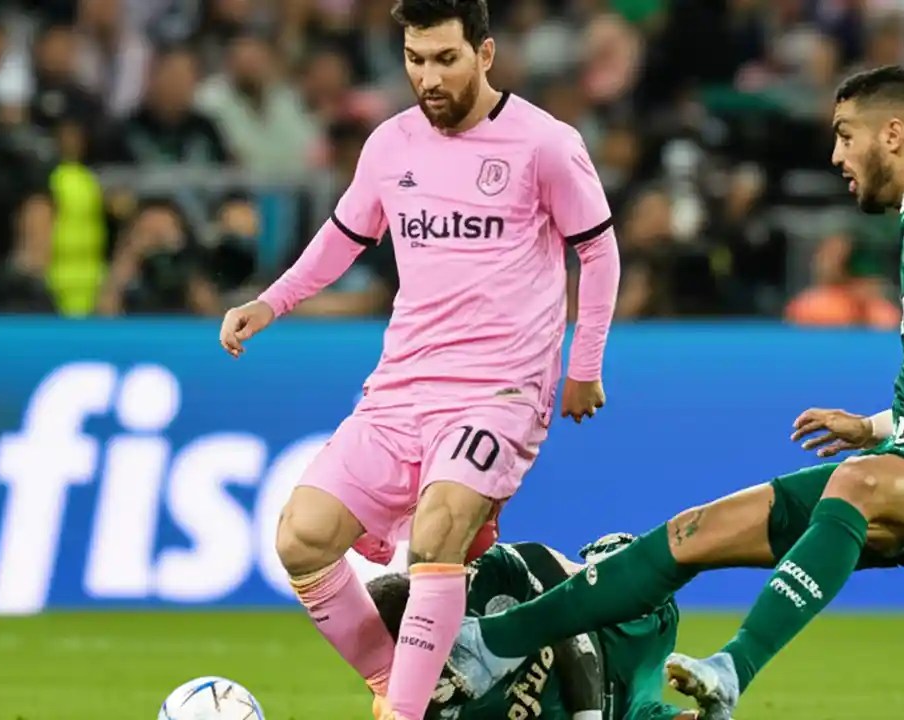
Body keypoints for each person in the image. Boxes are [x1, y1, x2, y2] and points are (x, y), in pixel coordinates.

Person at [441, 65, 904, 719]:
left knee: (856, 485)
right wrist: (872, 428)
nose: (836, 154)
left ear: (893, 133)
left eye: (846, 135)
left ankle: (732, 668)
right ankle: (488, 643)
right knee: (690, 534)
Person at [216, 2, 620, 719]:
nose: (427, 77)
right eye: (415, 59)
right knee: (301, 537)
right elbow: (343, 237)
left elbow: (598, 249)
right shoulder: (390, 144)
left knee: (436, 533)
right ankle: (394, 683)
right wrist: (269, 303)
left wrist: (582, 364)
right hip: (401, 389)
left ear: (485, 55)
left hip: (498, 389)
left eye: (445, 59)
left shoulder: (544, 144)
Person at [366, 535, 695, 720]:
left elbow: (567, 619)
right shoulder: (410, 699)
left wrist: (588, 716)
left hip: (616, 620)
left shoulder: (490, 576)